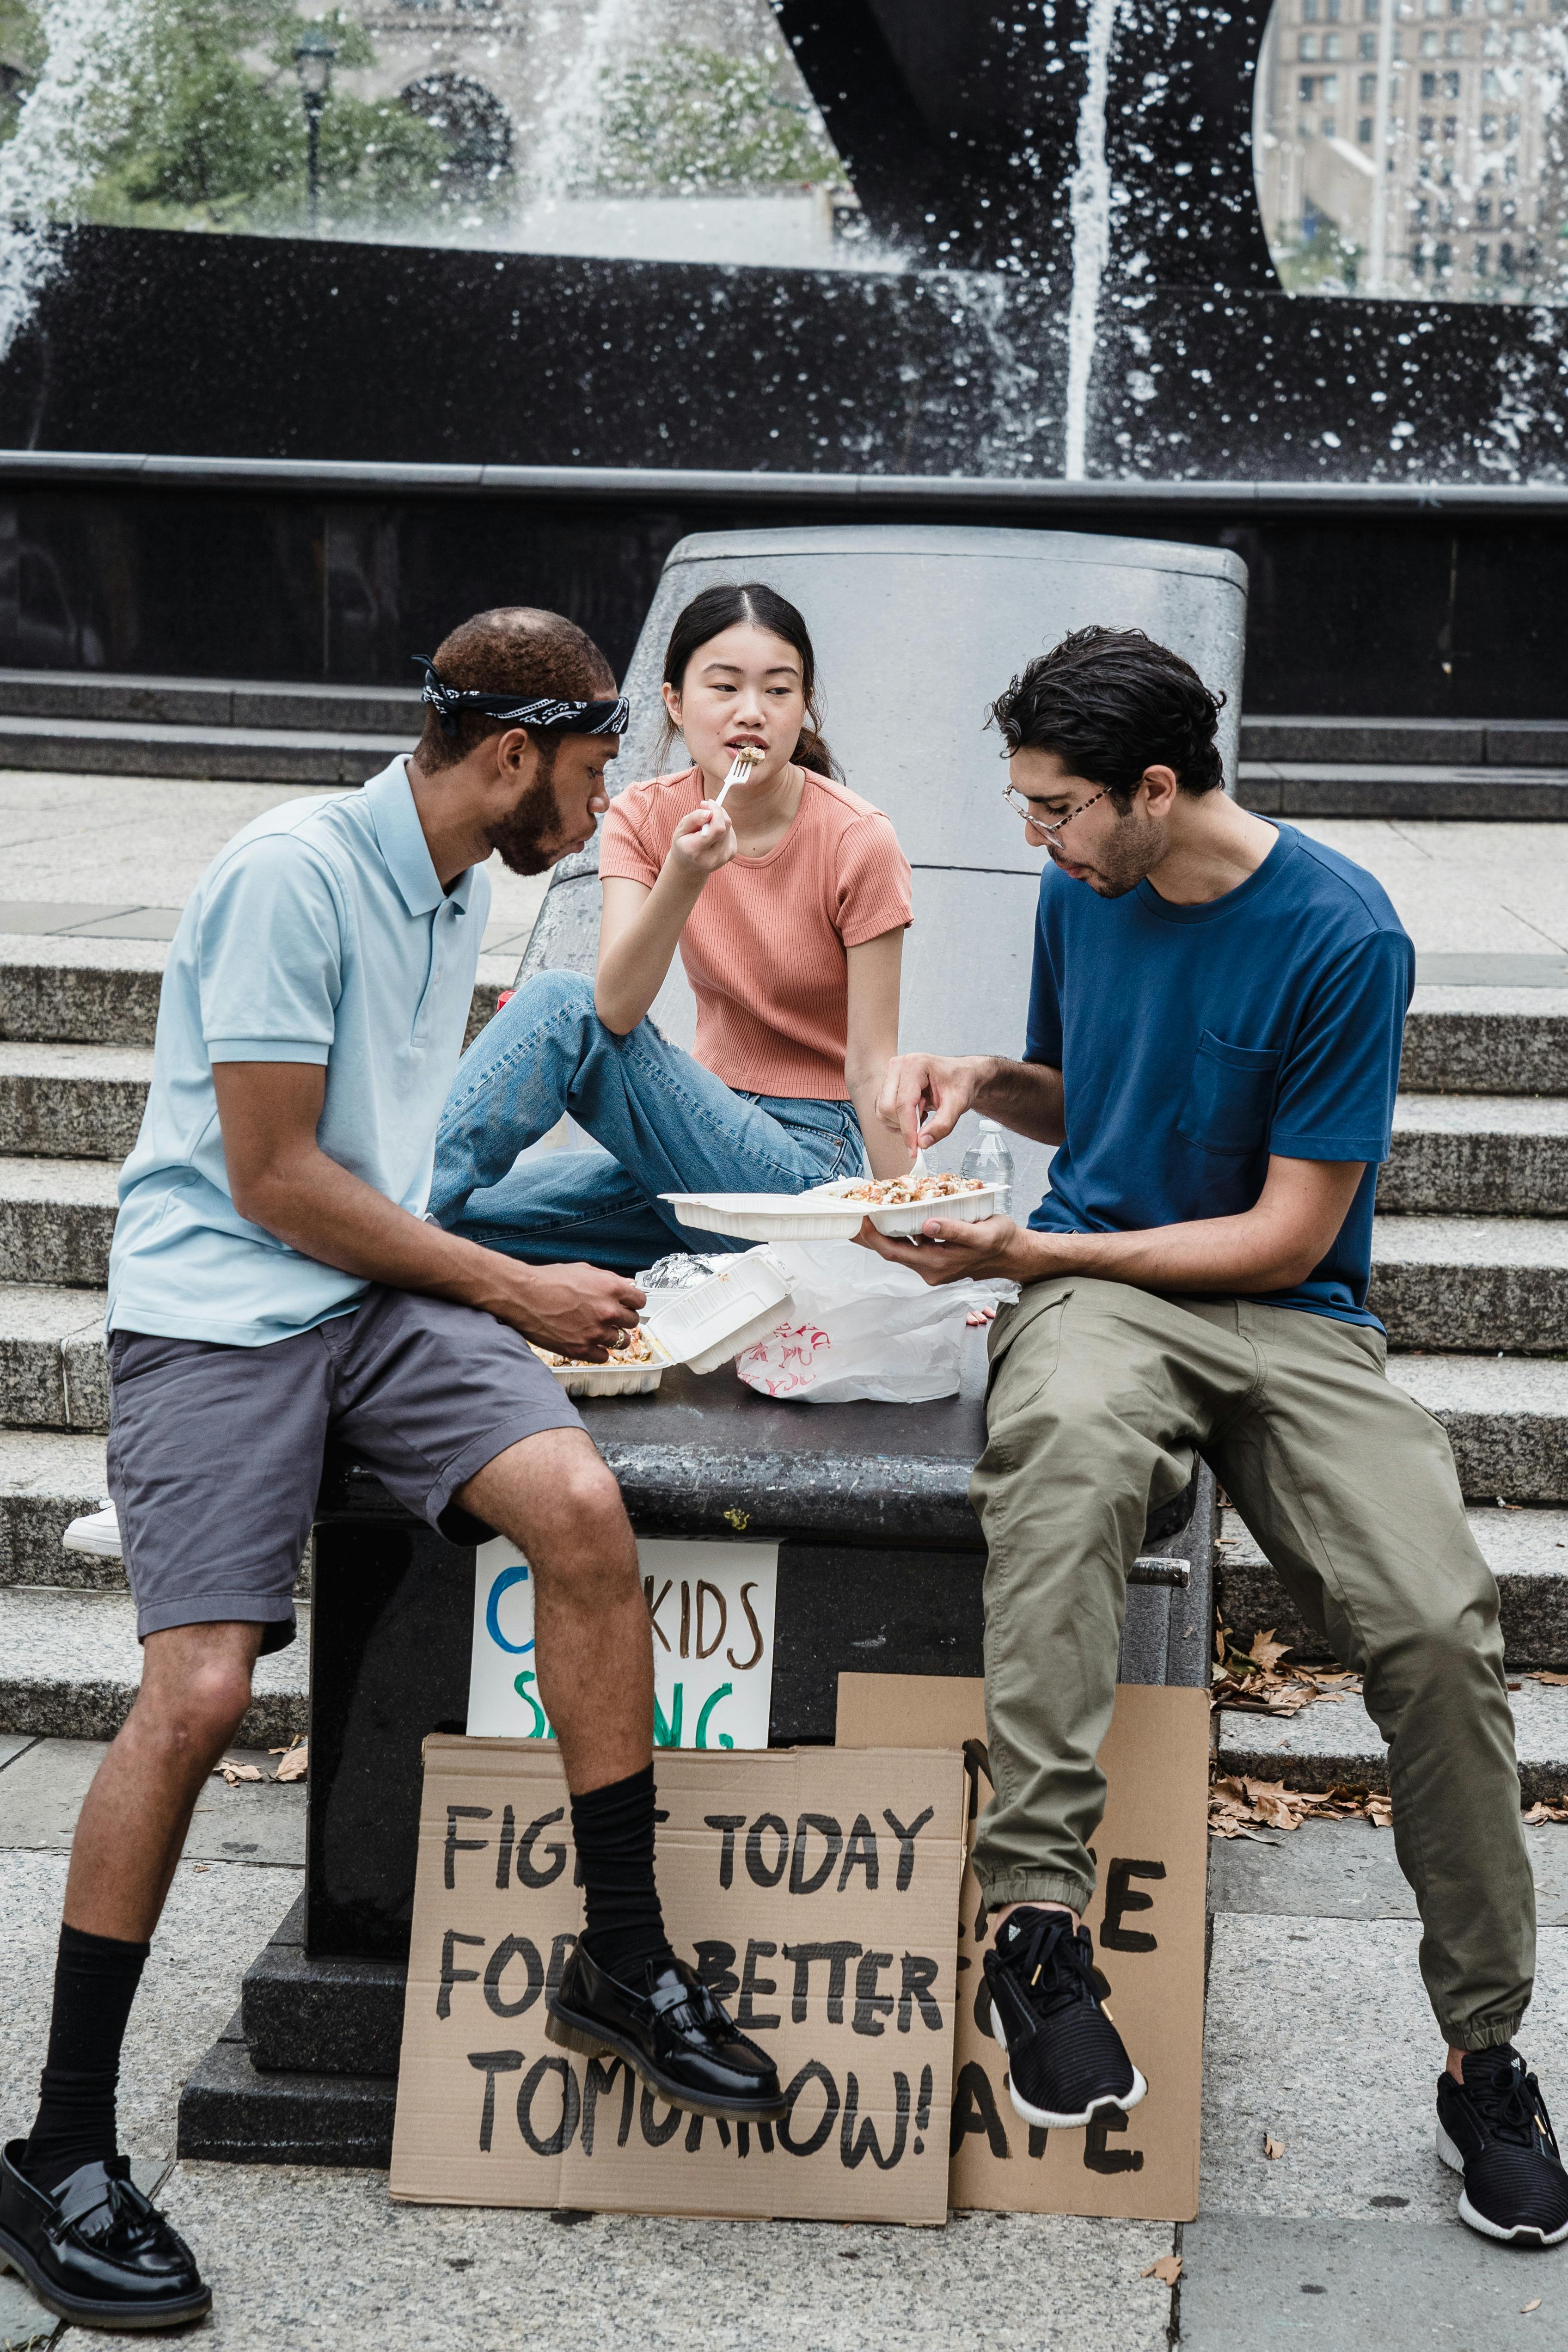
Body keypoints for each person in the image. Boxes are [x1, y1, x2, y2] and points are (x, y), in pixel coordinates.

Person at [0, 608, 784, 2336]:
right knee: (200, 1690)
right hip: (220, 1304)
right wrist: (512, 1285)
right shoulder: (293, 876)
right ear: (511, 754)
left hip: (375, 1298)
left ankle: (623, 1954)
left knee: (581, 1512)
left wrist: (510, 1280)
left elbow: (389, 1172)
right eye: (592, 772)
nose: (604, 805)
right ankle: (58, 2148)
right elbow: (275, 1176)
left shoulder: (451, 883)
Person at [864, 625, 1568, 2249]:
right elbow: (1088, 1092)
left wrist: (1027, 1250)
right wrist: (986, 1078)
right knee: (1063, 1456)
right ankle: (1037, 1926)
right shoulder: (1082, 886)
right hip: (1106, 1298)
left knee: (1438, 1624)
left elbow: (1283, 1232)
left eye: (1055, 807)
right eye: (1029, 804)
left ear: (1157, 790)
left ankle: (1484, 2056)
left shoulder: (1342, 933)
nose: (1034, 835)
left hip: (1289, 1310)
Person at [429, 582, 913, 1269]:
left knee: (561, 1004)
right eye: (725, 687)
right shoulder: (643, 815)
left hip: (806, 1174)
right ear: (676, 703)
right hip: (684, 1143)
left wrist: (916, 1242)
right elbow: (618, 1009)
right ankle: (384, 1228)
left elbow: (871, 1069)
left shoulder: (859, 839)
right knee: (463, 1225)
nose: (753, 712)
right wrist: (683, 876)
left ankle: (388, 1213)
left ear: (804, 706)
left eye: (779, 691)